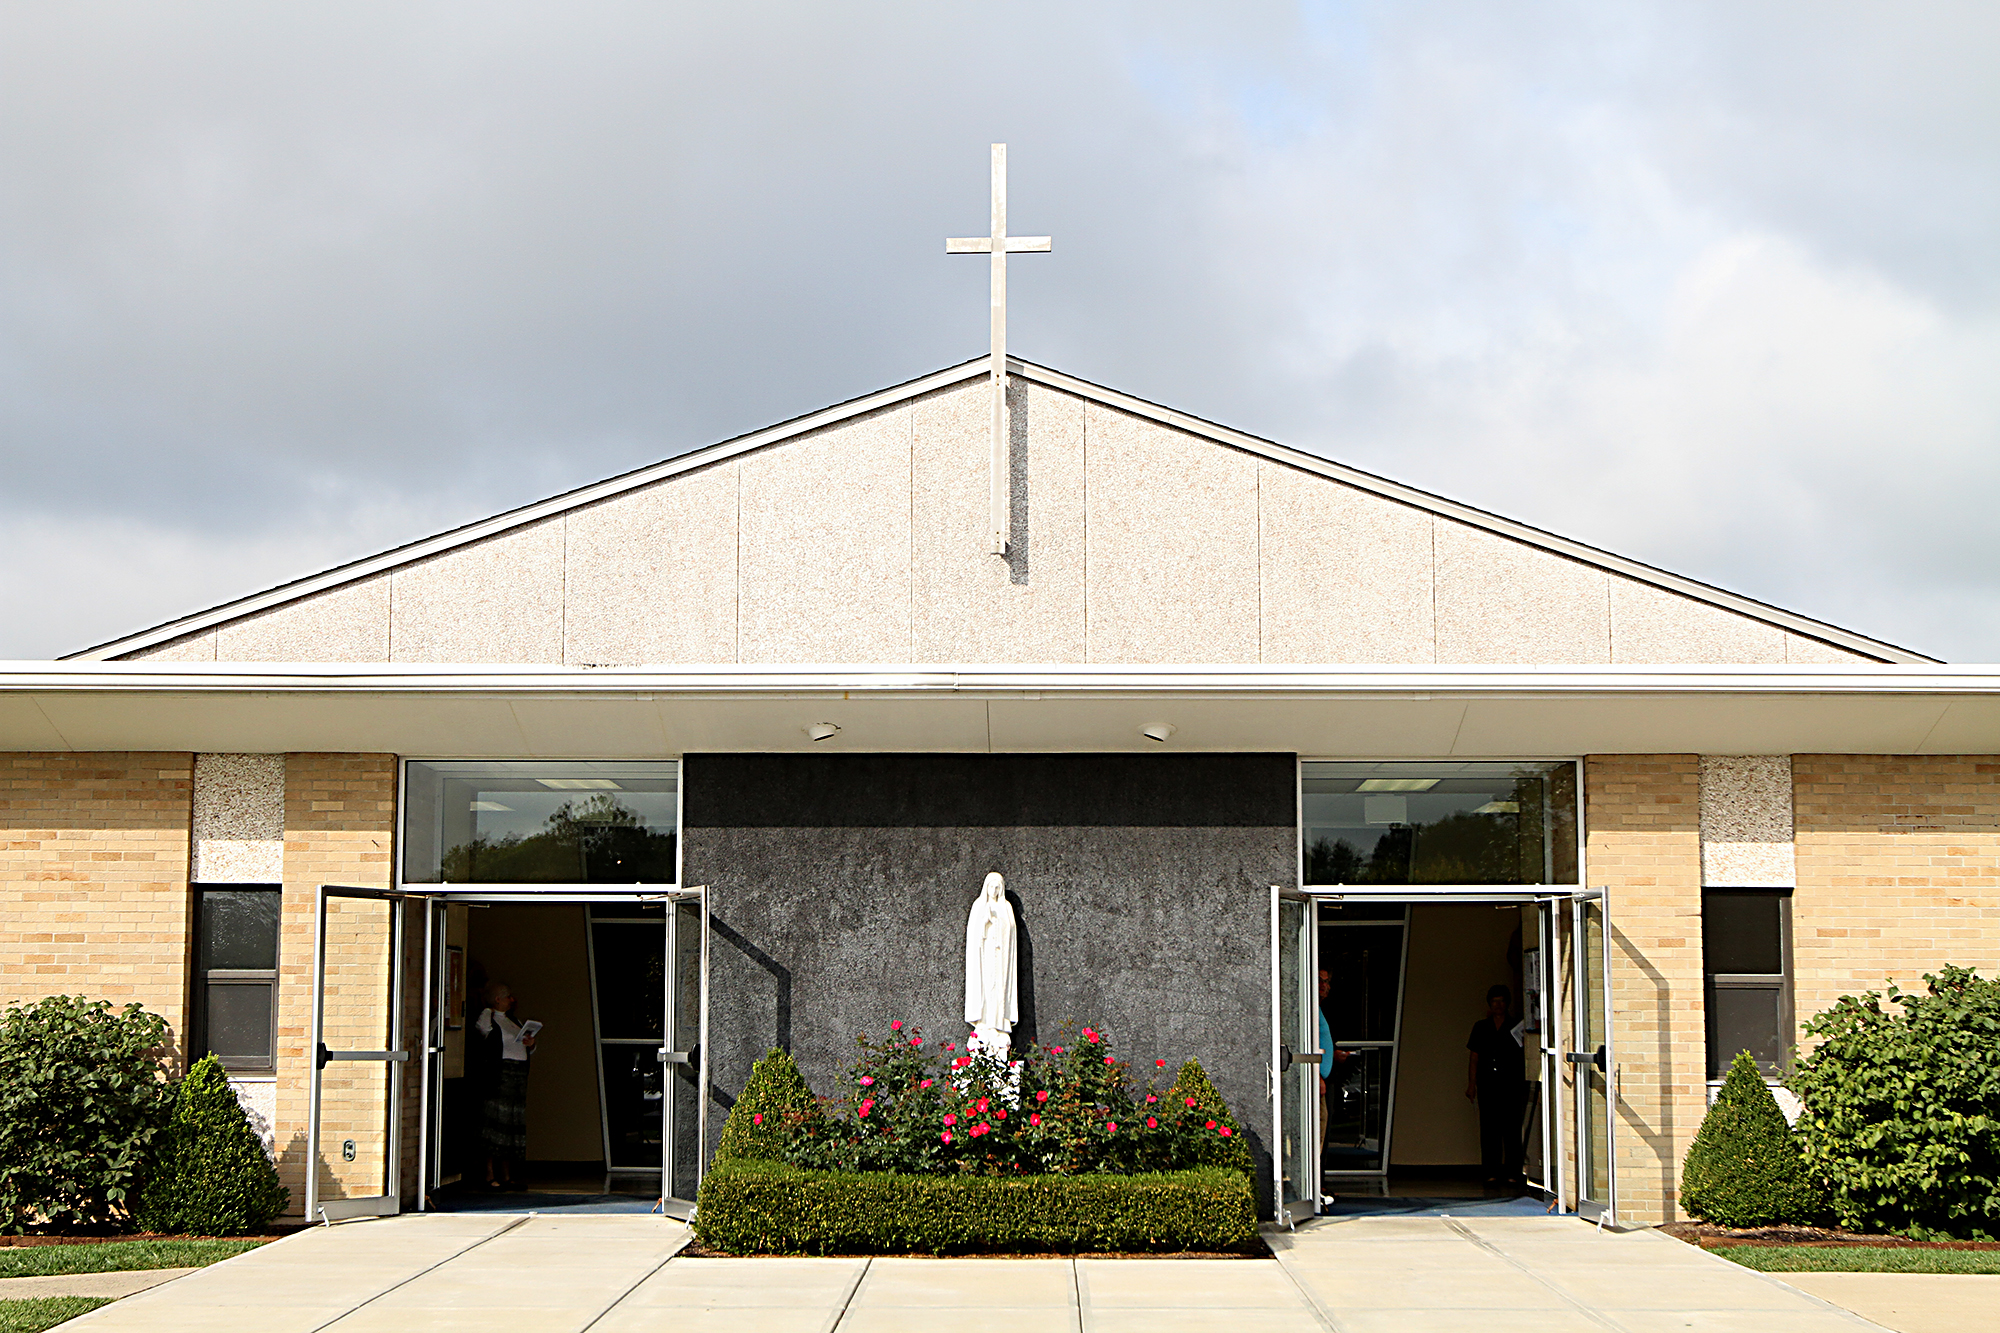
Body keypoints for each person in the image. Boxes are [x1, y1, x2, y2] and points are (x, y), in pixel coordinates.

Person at [474, 982, 536, 1191]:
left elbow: (522, 1046)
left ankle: (507, 1175)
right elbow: (482, 1030)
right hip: (499, 1076)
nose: (512, 1000)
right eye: (507, 996)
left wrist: (531, 1044)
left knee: (512, 1124)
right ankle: (489, 1174)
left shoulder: (514, 1021)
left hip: (518, 1077)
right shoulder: (489, 1018)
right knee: (495, 1123)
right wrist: (488, 1008)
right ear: (497, 999)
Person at [1465, 983, 1525, 1188]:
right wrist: (1472, 1083)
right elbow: (1474, 1057)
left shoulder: (1518, 1025)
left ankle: (1513, 1173)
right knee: (1489, 1129)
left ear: (1507, 1003)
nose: (1498, 1005)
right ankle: (1490, 1172)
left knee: (1512, 1129)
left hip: (1511, 1084)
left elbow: (1525, 1055)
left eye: (1501, 1001)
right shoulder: (1481, 1027)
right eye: (1494, 1002)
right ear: (1489, 1004)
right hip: (1488, 1083)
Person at [1317, 968, 1351, 1204]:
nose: (1324, 986)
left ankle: (1320, 1184)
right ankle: (1313, 1186)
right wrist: (1316, 1076)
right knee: (1318, 1128)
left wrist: (1335, 1054)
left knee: (1324, 1131)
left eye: (1327, 982)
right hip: (1316, 1079)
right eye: (1320, 981)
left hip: (1327, 1078)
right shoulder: (1307, 1008)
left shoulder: (1322, 1009)